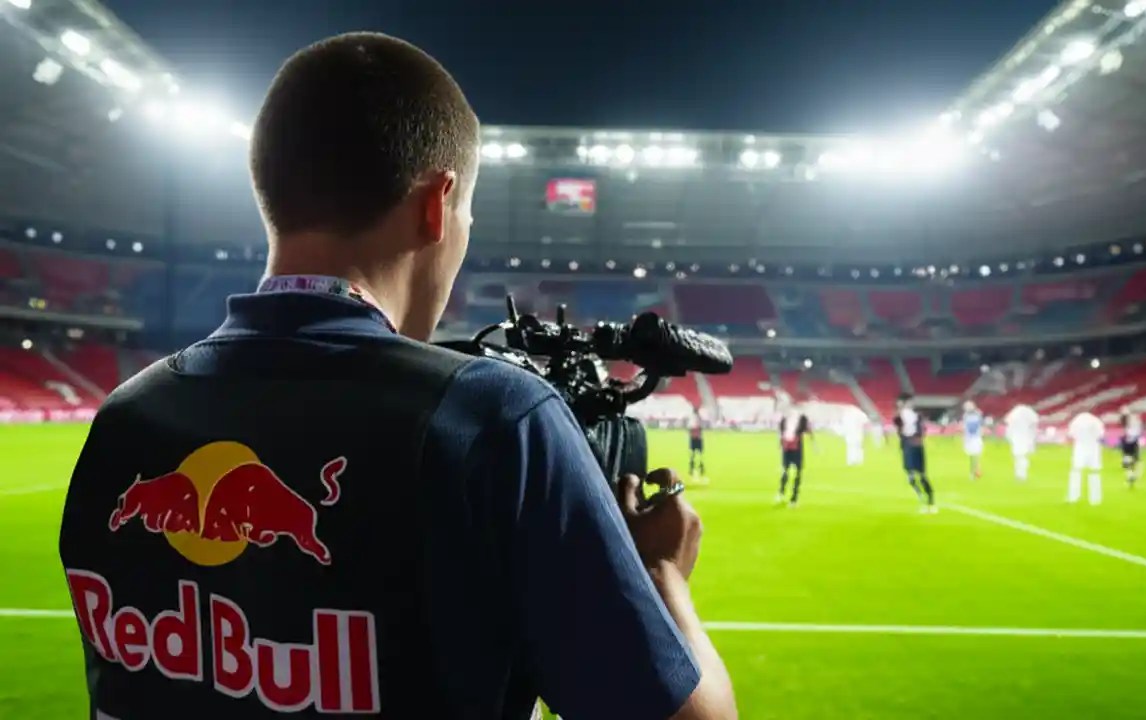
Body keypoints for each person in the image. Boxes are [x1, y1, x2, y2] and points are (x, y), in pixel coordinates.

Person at [58, 33, 735, 720]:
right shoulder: (490, 416)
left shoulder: (124, 417)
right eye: (465, 211)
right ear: (438, 203)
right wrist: (663, 578)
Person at [894, 394, 936, 513]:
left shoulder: (915, 416)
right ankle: (922, 497)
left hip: (915, 445)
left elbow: (921, 430)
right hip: (907, 446)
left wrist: (917, 438)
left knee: (921, 475)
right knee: (911, 476)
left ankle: (931, 501)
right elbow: (900, 429)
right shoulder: (900, 416)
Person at [1067, 410, 1107, 505]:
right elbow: (1100, 435)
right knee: (1094, 472)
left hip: (1080, 448)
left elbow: (1071, 434)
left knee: (1076, 471)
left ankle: (1073, 497)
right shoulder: (1096, 420)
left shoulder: (1076, 420)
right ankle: (1095, 499)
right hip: (1093, 448)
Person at [777, 407, 812, 507]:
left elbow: (806, 430)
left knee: (797, 473)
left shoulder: (802, 418)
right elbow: (782, 432)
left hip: (797, 448)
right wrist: (781, 443)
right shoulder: (785, 419)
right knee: (785, 471)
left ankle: (794, 498)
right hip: (787, 448)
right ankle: (782, 492)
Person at [1004, 403, 1039, 481]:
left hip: (1019, 438)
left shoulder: (1016, 413)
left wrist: (1008, 436)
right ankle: (1021, 474)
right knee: (1021, 457)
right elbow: (1035, 423)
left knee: (1020, 457)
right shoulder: (1027, 414)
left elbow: (1008, 423)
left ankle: (1021, 475)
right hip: (1024, 438)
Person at [1119, 406, 1143, 489]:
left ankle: (1131, 475)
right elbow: (1139, 430)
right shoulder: (1135, 420)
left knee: (1127, 459)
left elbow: (1125, 424)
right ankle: (1133, 474)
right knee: (1134, 459)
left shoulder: (1129, 420)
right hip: (1134, 440)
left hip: (1128, 440)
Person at [961, 400, 984, 481]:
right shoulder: (965, 416)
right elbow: (965, 427)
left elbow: (981, 425)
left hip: (976, 438)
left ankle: (975, 471)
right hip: (969, 438)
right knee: (972, 456)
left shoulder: (978, 414)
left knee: (976, 455)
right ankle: (973, 471)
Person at [688, 410, 707, 483]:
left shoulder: (696, 419)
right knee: (696, 455)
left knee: (695, 455)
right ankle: (694, 468)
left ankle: (697, 468)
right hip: (696, 439)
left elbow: (696, 429)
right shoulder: (695, 419)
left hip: (696, 439)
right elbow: (693, 429)